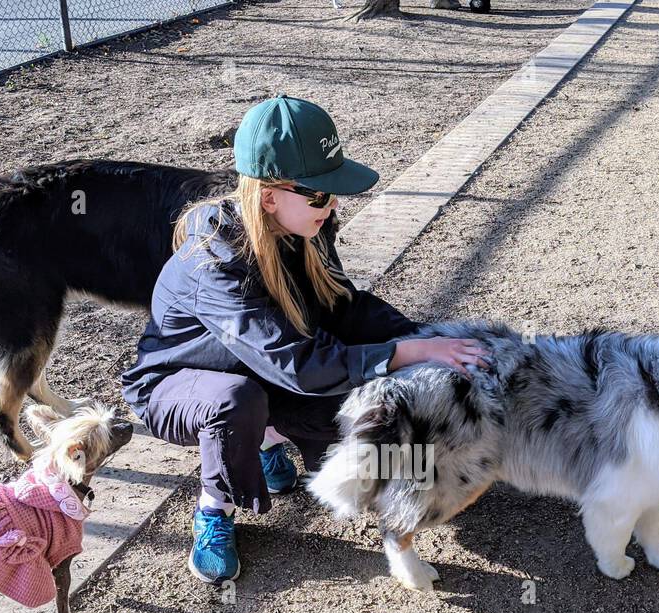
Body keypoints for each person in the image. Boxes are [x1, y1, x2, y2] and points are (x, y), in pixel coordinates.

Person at [121, 94, 486, 583]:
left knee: (382, 435)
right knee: (235, 401)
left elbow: (342, 304)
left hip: (264, 370)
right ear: (269, 196)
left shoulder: (307, 226)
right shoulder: (217, 259)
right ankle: (215, 507)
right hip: (181, 386)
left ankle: (276, 438)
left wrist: (426, 340)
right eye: (319, 193)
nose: (332, 203)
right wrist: (404, 354)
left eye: (334, 191)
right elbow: (297, 364)